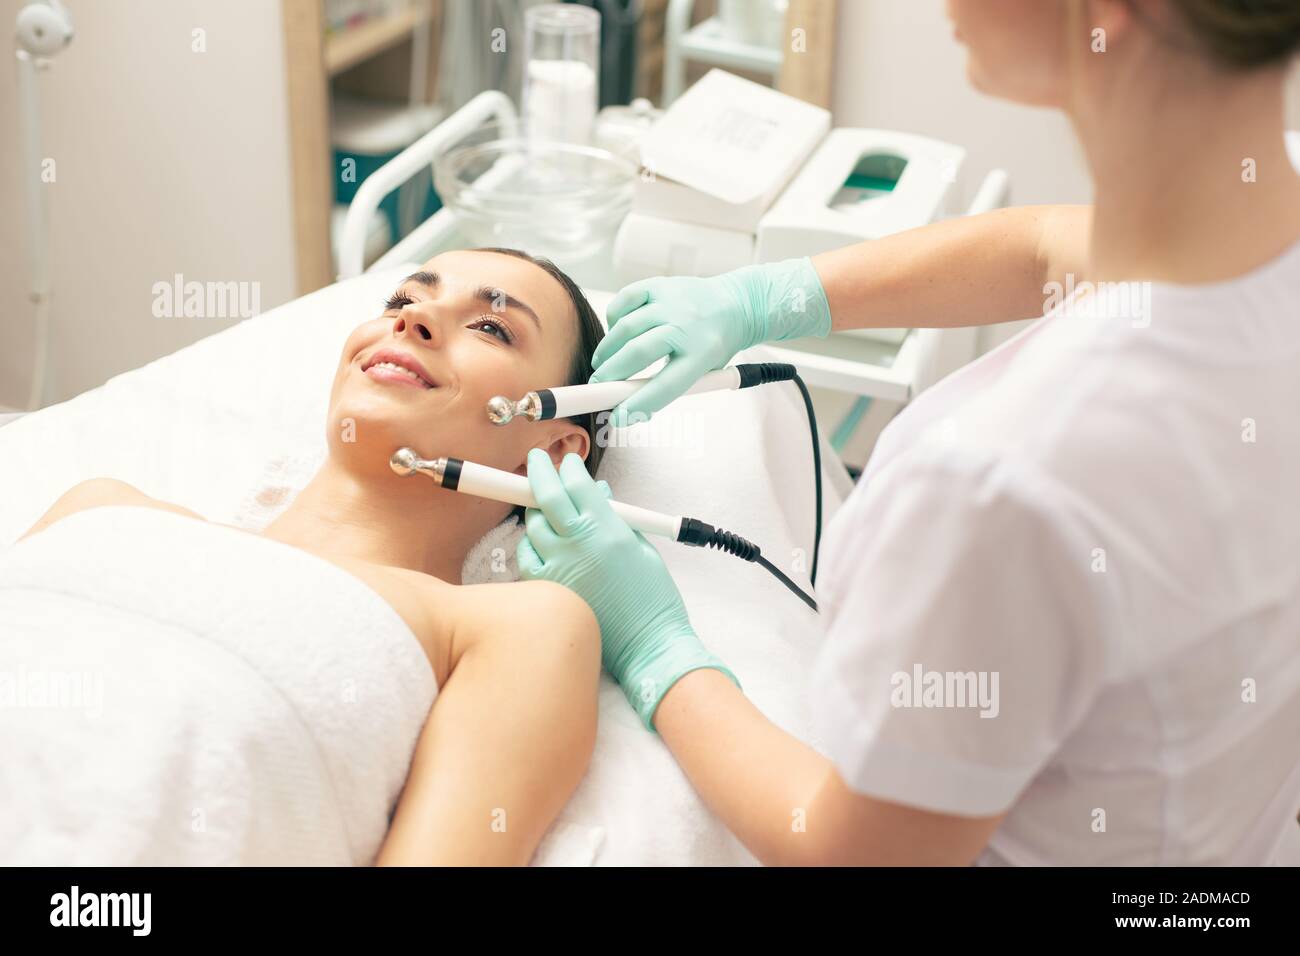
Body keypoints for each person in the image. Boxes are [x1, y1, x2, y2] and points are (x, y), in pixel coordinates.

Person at [518, 0, 1300, 864]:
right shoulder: (1264, 201)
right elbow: (1049, 249)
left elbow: (850, 853)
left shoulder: (1005, 485)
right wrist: (768, 296)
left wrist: (655, 647)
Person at [8, 248, 607, 866]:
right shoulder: (100, 509)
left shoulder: (514, 627)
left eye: (491, 327)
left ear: (556, 448)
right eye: (403, 300)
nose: (413, 321)